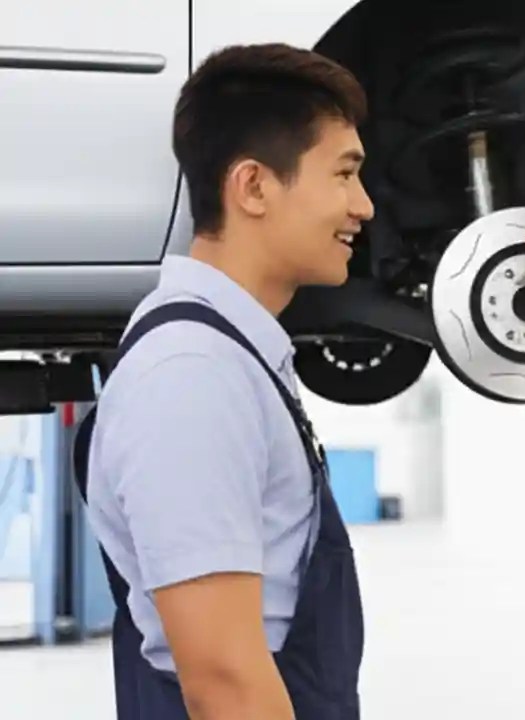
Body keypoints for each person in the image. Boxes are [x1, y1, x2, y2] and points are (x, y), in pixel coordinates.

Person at [80, 43, 373, 719]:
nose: (364, 207)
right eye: (344, 174)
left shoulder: (229, 358)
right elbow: (225, 685)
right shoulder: (192, 378)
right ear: (253, 187)